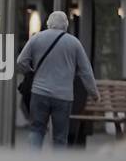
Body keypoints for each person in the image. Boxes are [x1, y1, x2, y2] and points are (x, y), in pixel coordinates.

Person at [17, 10, 98, 149]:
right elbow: (86, 71)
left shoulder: (37, 38)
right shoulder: (74, 43)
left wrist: (31, 71)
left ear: (48, 24)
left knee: (37, 129)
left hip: (39, 93)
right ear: (66, 25)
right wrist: (94, 93)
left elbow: (21, 61)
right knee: (60, 136)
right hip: (63, 96)